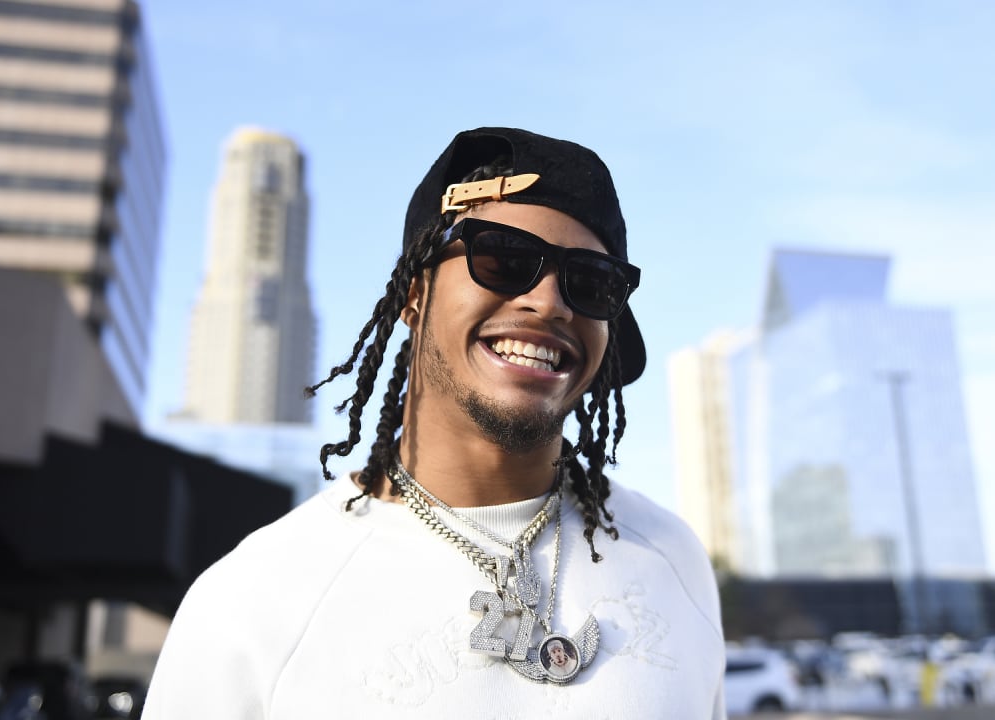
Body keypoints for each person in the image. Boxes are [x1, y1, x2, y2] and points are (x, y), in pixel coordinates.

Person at [143, 127, 724, 718]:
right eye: (504, 258)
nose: (549, 303)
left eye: (591, 282)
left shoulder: (672, 559)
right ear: (414, 295)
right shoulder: (253, 600)